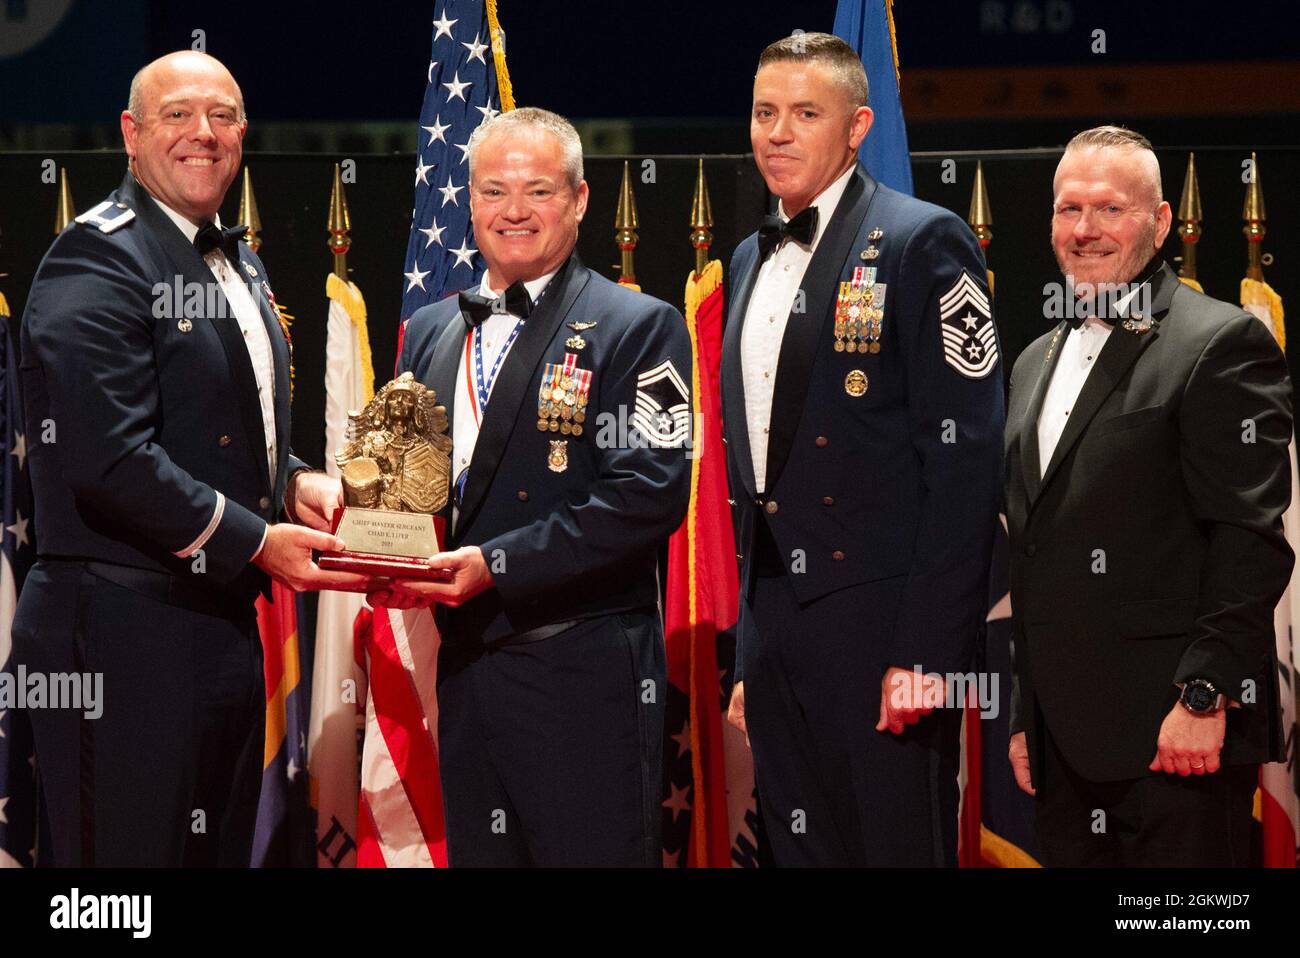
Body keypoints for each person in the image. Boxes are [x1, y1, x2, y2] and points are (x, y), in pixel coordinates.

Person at [14, 51, 367, 867]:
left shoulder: (233, 256)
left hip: (212, 629)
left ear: (243, 133)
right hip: (117, 634)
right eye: (177, 115)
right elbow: (110, 460)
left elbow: (221, 430)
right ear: (131, 136)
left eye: (222, 116)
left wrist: (294, 483)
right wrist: (258, 540)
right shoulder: (96, 257)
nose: (201, 134)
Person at [374, 107, 693, 866]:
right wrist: (379, 550)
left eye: (538, 190)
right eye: (493, 190)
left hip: (582, 676)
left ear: (579, 201)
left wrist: (498, 565)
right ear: (471, 201)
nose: (514, 210)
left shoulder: (639, 326)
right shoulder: (428, 330)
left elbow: (648, 493)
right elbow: (405, 490)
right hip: (467, 670)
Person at [721, 32, 1004, 866]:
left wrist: (926, 656)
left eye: (805, 113)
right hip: (778, 631)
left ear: (857, 126)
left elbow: (966, 463)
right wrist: (750, 650)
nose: (778, 132)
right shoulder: (746, 257)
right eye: (765, 112)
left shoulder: (925, 239)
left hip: (885, 632)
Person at [1004, 126, 1292, 866]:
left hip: (1177, 738)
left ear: (1161, 222)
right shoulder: (1034, 360)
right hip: (1061, 743)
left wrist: (1204, 696)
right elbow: (1035, 550)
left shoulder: (1220, 343)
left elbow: (1250, 539)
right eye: (1069, 209)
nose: (1085, 229)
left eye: (1109, 209)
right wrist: (1024, 716)